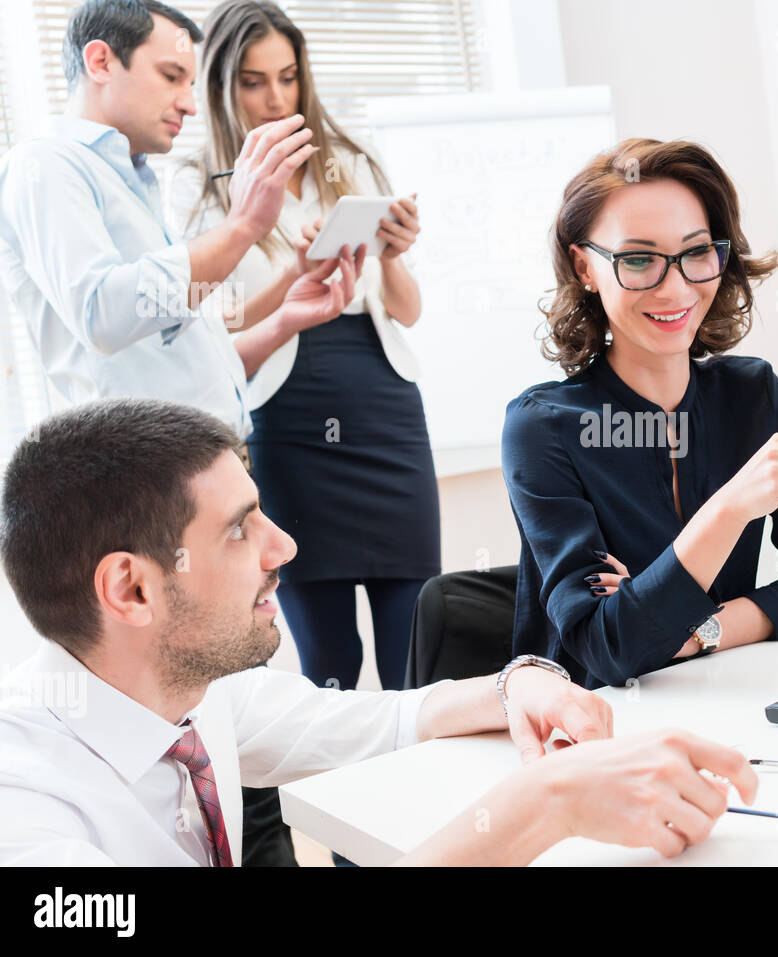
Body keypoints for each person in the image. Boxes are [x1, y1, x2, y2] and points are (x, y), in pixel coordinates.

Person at [0, 398, 758, 866]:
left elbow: (382, 717)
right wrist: (545, 802)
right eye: (239, 530)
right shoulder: (12, 799)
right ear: (132, 587)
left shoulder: (185, 693)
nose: (283, 548)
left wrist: (518, 680)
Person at [0, 0, 360, 867]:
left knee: (237, 699)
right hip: (140, 495)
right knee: (208, 693)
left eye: (194, 80)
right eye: (172, 75)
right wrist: (242, 230)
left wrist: (276, 322)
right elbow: (103, 314)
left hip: (203, 470)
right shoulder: (47, 168)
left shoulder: (135, 180)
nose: (192, 102)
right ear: (100, 64)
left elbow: (170, 348)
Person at [502, 139, 778, 690]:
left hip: (722, 697)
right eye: (638, 259)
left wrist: (699, 631)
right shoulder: (542, 426)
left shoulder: (751, 393)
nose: (676, 288)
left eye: (697, 253)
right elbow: (610, 651)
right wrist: (732, 509)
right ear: (585, 268)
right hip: (598, 731)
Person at [167, 0, 440, 697]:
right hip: (286, 412)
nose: (276, 97)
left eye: (288, 77)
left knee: (417, 640)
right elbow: (212, 329)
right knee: (327, 658)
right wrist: (294, 274)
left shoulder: (349, 160)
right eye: (255, 81)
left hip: (385, 407)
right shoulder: (199, 184)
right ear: (222, 85)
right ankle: (335, 802)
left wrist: (394, 254)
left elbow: (404, 309)